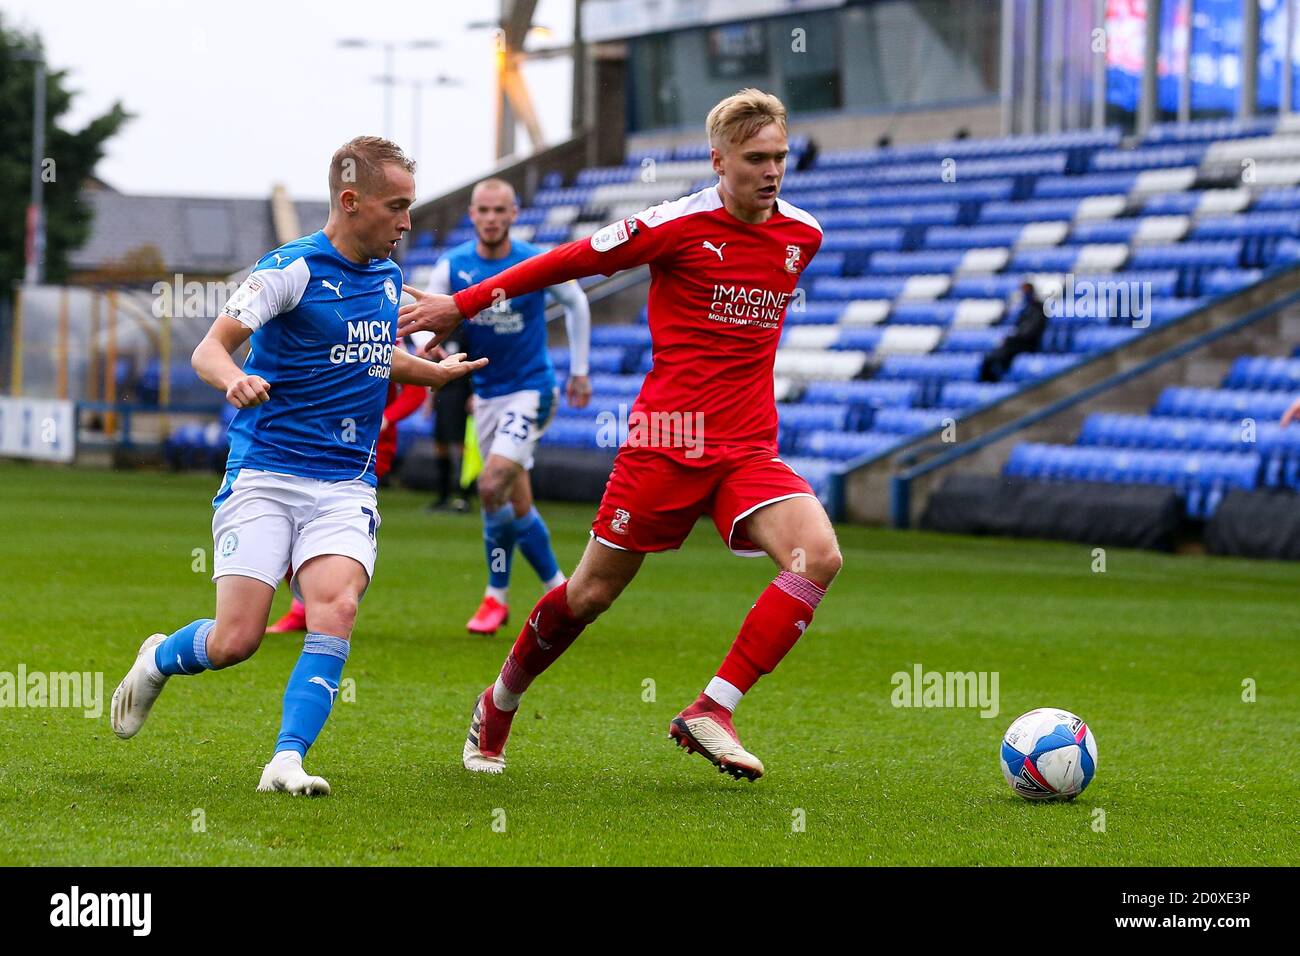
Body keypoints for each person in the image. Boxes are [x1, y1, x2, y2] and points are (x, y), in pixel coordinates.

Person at [399, 89, 842, 781]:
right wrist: (462, 302)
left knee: (817, 557)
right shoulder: (675, 224)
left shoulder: (802, 235)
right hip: (667, 440)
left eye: (781, 156)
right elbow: (568, 262)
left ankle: (711, 710)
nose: (773, 170)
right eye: (757, 158)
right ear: (718, 159)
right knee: (589, 596)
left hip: (748, 447)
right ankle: (500, 701)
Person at [109, 136, 486, 795]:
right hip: (266, 474)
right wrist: (233, 379)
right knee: (235, 641)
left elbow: (371, 353)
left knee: (335, 607)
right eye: (396, 207)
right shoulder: (290, 269)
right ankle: (160, 657)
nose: (406, 222)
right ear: (350, 201)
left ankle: (286, 759)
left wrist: (430, 373)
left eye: (410, 208)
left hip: (345, 484)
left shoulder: (391, 278)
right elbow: (210, 348)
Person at [410, 177, 592, 636]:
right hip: (486, 396)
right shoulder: (454, 265)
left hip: (532, 390)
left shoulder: (533, 260)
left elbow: (576, 302)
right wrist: (426, 349)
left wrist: (581, 370)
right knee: (515, 499)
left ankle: (496, 596)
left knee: (491, 485)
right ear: (472, 215)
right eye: (483, 210)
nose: (491, 218)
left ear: (514, 214)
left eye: (499, 210)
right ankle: (561, 590)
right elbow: (421, 315)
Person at [266, 375, 428, 634]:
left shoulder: (380, 337)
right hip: (311, 442)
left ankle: (321, 605)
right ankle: (307, 606)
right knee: (284, 526)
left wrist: (387, 417)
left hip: (362, 451)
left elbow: (416, 388)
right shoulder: (303, 341)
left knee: (316, 526)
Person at [982, 280, 1048, 381]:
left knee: (1005, 349)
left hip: (1028, 343)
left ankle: (998, 377)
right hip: (1018, 341)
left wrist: (1015, 336)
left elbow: (1031, 331)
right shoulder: (1025, 308)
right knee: (991, 356)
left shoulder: (1038, 308)